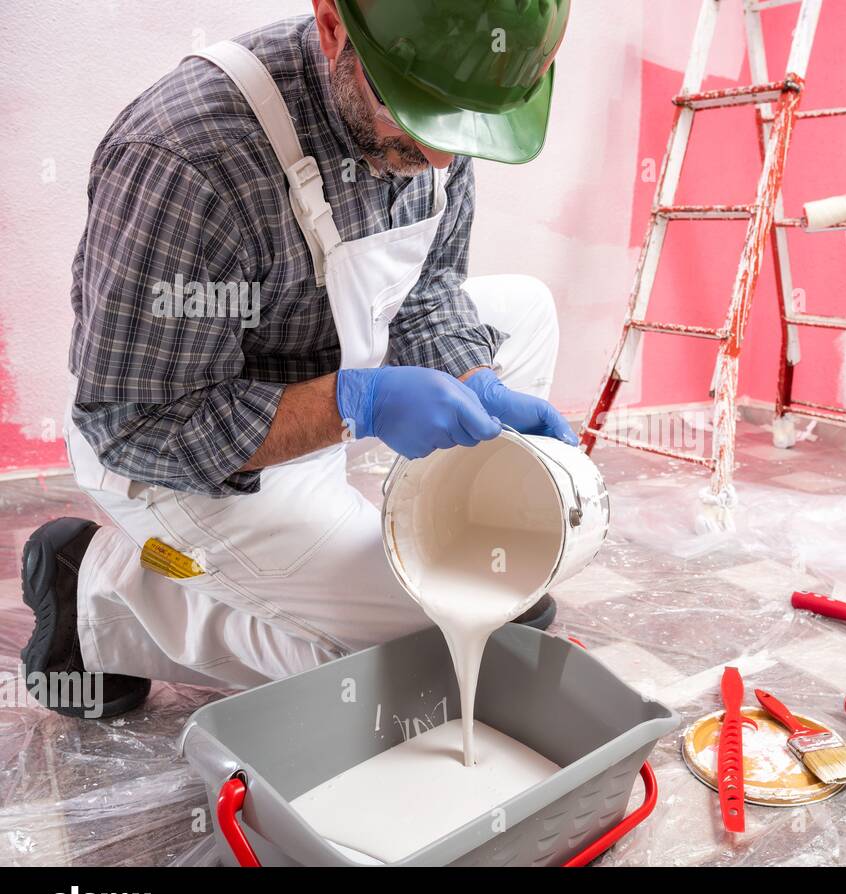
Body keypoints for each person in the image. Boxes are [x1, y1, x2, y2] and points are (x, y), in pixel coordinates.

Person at [21, 0, 574, 718]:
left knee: (526, 308)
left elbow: (427, 286)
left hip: (322, 370)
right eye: (418, 113)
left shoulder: (444, 125)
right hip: (189, 462)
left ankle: (437, 529)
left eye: (469, 125)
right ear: (332, 25)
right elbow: (137, 426)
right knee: (453, 641)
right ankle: (104, 602)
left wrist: (472, 376)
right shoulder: (187, 159)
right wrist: (357, 406)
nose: (442, 156)